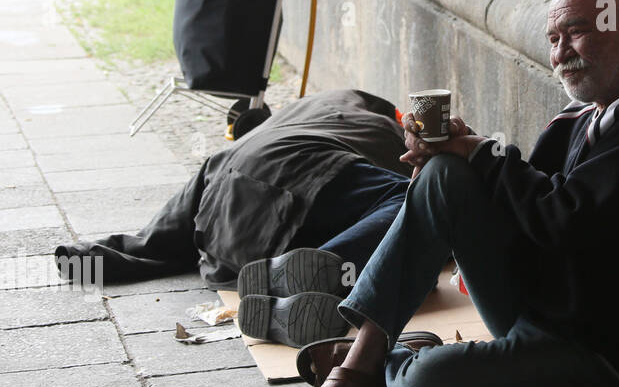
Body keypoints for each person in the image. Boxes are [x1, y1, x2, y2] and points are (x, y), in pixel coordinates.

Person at [279, 0, 619, 387]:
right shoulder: (578, 117)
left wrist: (482, 152)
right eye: (554, 38)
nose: (561, 52)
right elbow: (522, 208)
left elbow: (564, 221)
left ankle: (398, 361)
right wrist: (455, 153)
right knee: (445, 173)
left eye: (576, 31)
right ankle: (359, 363)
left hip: (602, 352)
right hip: (541, 308)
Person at [54, 89, 412, 290]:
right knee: (415, 199)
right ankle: (304, 275)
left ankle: (97, 256)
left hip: (229, 182)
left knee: (158, 244)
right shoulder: (387, 129)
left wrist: (146, 243)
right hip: (311, 170)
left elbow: (191, 196)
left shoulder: (315, 105)